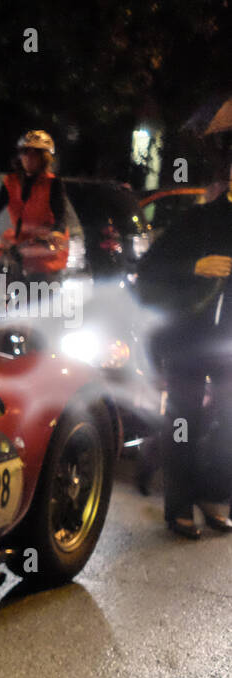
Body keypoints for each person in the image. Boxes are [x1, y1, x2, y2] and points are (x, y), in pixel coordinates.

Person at [137, 156, 232, 539]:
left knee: (228, 426)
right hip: (189, 339)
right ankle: (179, 504)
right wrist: (195, 265)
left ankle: (213, 495)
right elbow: (149, 267)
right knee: (184, 422)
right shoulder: (201, 219)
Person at [0, 129, 69, 275]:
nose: (28, 158)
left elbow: (60, 213)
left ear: (44, 158)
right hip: (21, 242)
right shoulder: (11, 181)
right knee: (1, 272)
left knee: (41, 285)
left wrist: (57, 232)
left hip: (45, 247)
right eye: (25, 152)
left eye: (35, 153)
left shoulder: (52, 183)